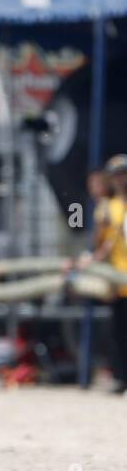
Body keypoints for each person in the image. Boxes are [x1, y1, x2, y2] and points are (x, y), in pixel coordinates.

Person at [83, 154, 127, 394]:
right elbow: (98, 246)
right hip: (118, 280)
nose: (121, 180)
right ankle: (121, 378)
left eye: (124, 174)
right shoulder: (107, 208)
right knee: (118, 333)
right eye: (117, 176)